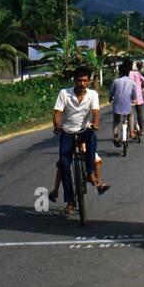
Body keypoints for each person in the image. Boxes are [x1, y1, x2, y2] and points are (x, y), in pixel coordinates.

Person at [53, 65, 109, 218]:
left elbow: (96, 112)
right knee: (64, 165)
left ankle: (90, 173)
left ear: (89, 81)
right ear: (74, 80)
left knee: (92, 138)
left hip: (84, 129)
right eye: (79, 80)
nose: (82, 84)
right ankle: (70, 201)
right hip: (67, 131)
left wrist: (96, 123)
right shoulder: (64, 93)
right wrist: (57, 125)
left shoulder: (93, 95)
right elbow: (57, 113)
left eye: (85, 81)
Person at [111, 59, 137, 147]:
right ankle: (132, 132)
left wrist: (110, 99)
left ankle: (115, 136)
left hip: (117, 105)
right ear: (128, 72)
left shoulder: (115, 81)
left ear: (119, 72)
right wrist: (134, 100)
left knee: (116, 120)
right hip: (127, 105)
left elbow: (111, 93)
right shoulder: (132, 83)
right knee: (131, 115)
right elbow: (134, 96)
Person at [129, 60, 144, 138]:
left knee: (129, 114)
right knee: (139, 113)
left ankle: (131, 130)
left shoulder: (128, 74)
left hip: (129, 97)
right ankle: (141, 130)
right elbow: (143, 80)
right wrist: (141, 87)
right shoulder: (137, 73)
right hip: (138, 96)